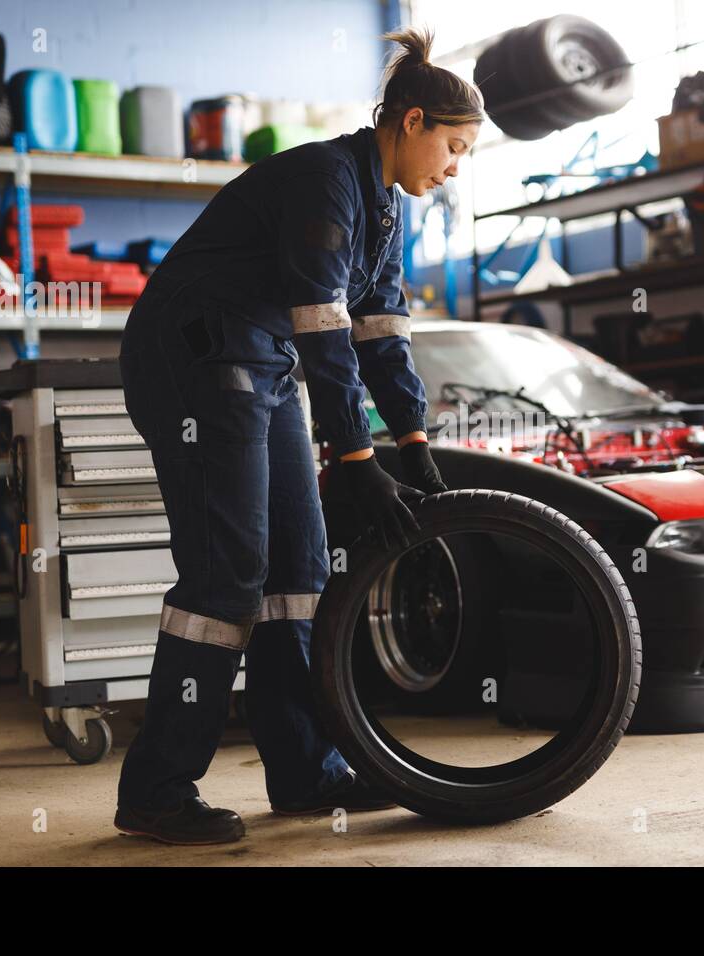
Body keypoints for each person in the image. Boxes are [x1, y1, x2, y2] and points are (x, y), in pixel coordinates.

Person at [112, 25, 484, 845]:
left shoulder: (385, 207)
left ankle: (306, 771)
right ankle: (157, 790)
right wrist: (354, 457)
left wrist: (412, 446)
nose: (456, 167)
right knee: (228, 578)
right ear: (412, 121)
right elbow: (325, 328)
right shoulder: (326, 178)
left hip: (261, 364)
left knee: (299, 573)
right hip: (197, 357)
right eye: (455, 146)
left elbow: (378, 333)